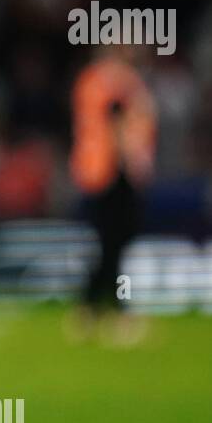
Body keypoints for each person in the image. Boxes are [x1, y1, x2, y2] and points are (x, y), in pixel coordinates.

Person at [69, 46, 156, 342]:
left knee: (108, 244)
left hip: (95, 171)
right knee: (114, 243)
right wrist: (133, 163)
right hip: (112, 172)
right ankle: (113, 311)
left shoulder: (91, 79)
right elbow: (116, 123)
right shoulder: (116, 82)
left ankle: (90, 310)